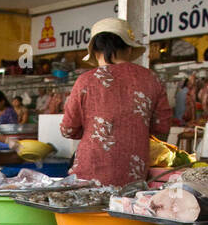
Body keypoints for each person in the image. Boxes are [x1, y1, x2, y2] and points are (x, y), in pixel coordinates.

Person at [60, 18, 172, 185]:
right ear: (128, 49)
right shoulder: (151, 79)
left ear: (95, 51)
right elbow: (162, 128)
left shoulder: (85, 81)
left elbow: (68, 129)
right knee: (125, 209)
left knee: (90, 211)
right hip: (133, 172)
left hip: (90, 171)